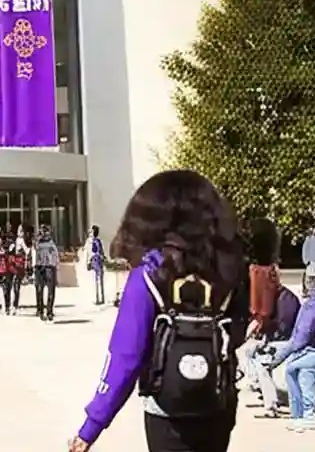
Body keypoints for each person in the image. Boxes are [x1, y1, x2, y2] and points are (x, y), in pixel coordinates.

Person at [71, 170, 247, 452]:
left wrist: (91, 427)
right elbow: (237, 331)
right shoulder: (230, 269)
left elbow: (126, 357)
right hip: (218, 402)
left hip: (167, 411)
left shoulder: (148, 274)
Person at [256, 278, 315, 431]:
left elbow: (297, 341)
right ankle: (298, 416)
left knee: (299, 366)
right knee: (294, 366)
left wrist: (274, 361)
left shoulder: (312, 306)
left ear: (307, 291)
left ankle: (309, 415)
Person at [236, 217, 283, 413]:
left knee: (244, 355)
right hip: (272, 323)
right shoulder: (272, 269)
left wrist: (246, 332)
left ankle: (266, 397)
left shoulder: (255, 271)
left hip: (258, 324)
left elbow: (257, 309)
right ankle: (265, 395)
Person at [33, 224, 60, 321]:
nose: (44, 233)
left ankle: (48, 311)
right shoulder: (38, 242)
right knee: (40, 290)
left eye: (45, 231)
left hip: (48, 267)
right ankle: (41, 310)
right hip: (40, 267)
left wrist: (56, 266)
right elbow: (34, 248)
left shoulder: (51, 242)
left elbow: (56, 255)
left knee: (50, 291)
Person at [88, 225, 107, 305]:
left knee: (97, 281)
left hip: (96, 261)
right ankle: (100, 298)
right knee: (99, 281)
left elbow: (94, 252)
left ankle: (98, 299)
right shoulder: (98, 241)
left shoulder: (93, 241)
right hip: (98, 261)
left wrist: (89, 261)